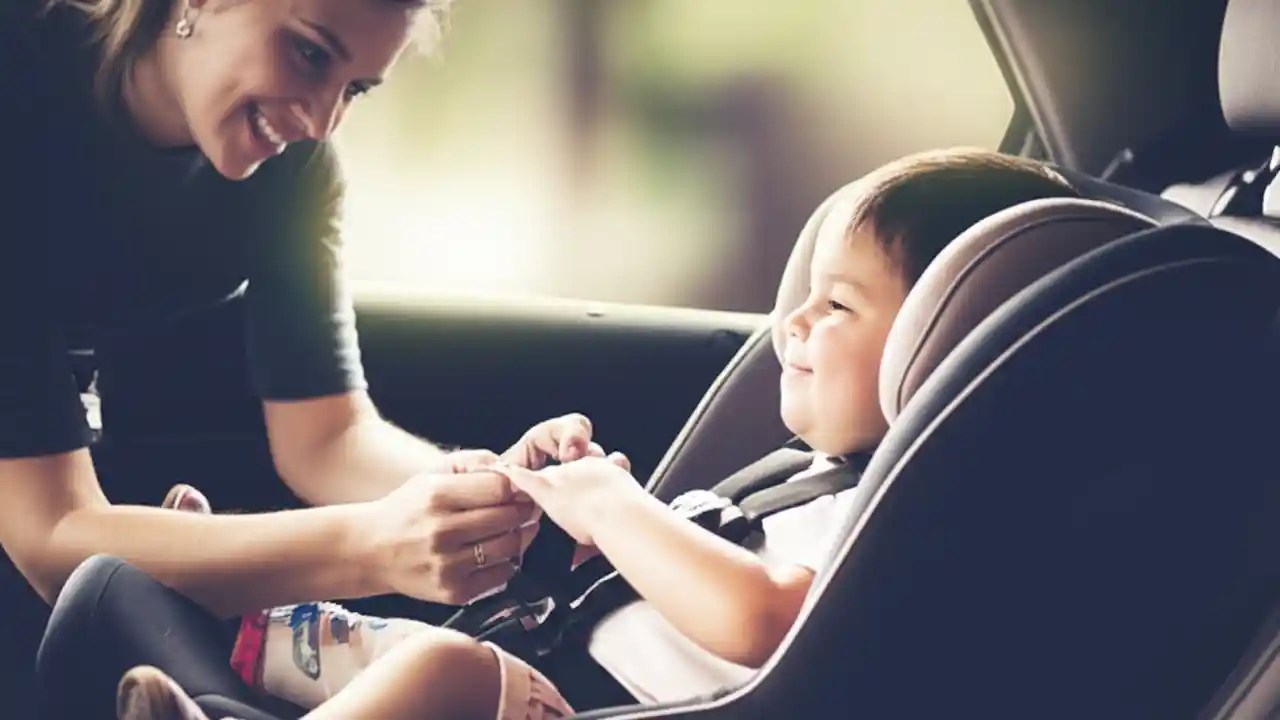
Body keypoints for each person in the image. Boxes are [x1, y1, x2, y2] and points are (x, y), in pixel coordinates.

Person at [109, 148, 1081, 719]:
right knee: (351, 635)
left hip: (598, 707)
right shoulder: (808, 474)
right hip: (555, 668)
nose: (791, 322)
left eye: (836, 305)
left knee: (440, 670)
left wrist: (618, 507)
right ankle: (223, 635)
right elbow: (691, 587)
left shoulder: (897, 518)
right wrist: (576, 518)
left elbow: (762, 620)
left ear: (943, 343)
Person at [0, 0, 610, 713]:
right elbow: (52, 536)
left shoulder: (294, 171)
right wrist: (371, 546)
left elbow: (326, 437)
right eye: (311, 55)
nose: (321, 122)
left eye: (355, 88)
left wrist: (492, 494)